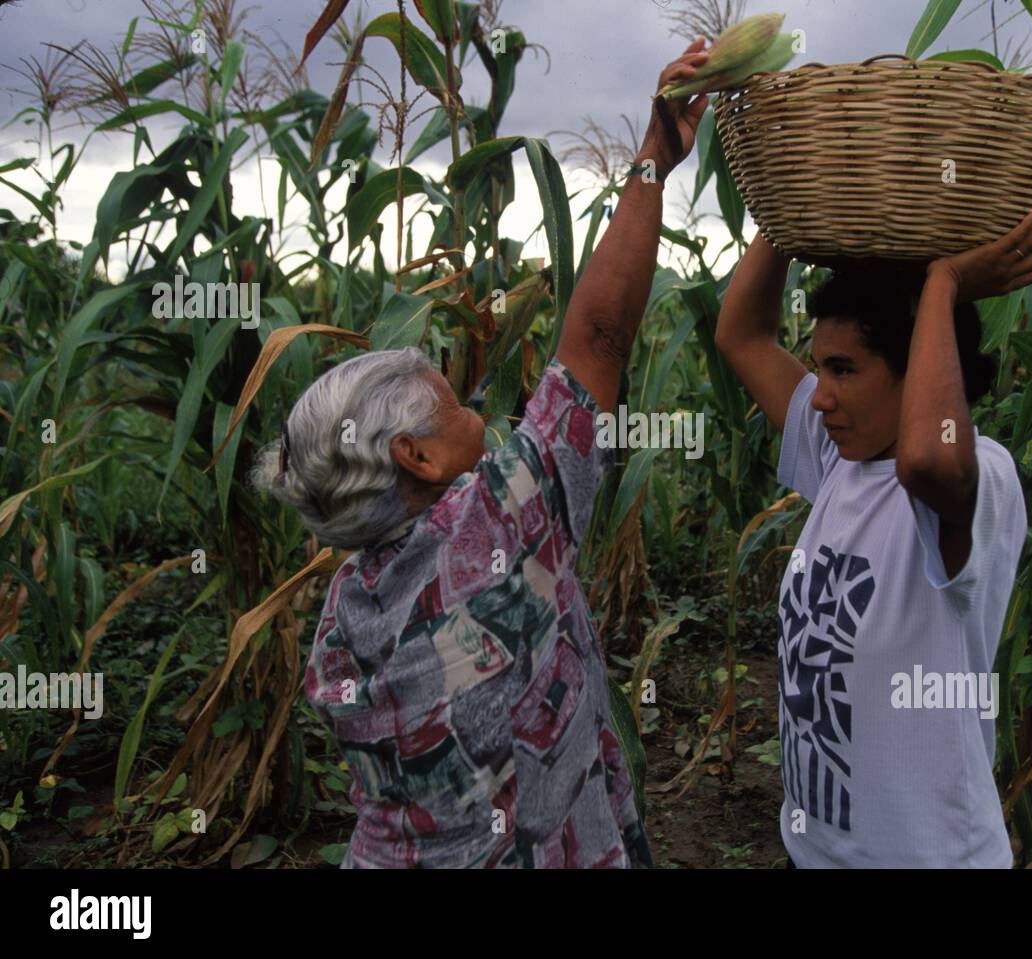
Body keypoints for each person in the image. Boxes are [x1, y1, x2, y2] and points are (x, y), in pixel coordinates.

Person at [251, 41, 712, 868]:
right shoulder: (500, 525)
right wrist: (655, 157)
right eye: (450, 399)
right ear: (416, 457)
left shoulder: (342, 618)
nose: (473, 404)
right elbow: (599, 341)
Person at [715, 211, 1032, 867]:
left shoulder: (978, 477)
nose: (821, 397)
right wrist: (788, 206)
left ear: (923, 368)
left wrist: (944, 281)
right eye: (819, 368)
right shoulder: (838, 459)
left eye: (844, 369)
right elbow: (741, 334)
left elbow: (929, 459)